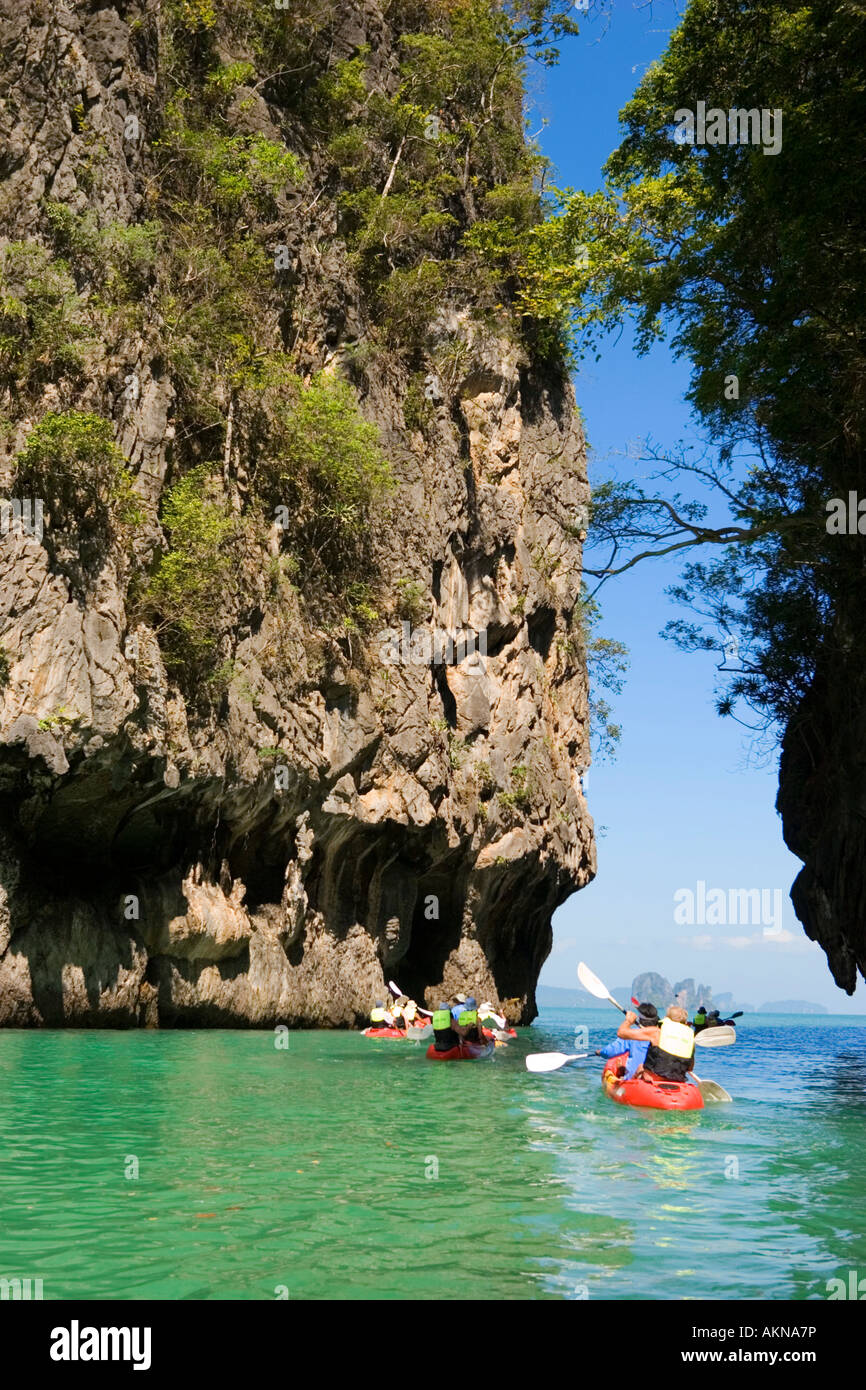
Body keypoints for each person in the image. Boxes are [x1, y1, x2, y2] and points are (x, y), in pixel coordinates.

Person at [617, 1004, 696, 1084]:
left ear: (667, 1018)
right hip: (678, 1080)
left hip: (654, 1078)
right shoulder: (690, 1038)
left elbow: (621, 1033)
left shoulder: (657, 1032)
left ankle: (629, 1083)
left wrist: (629, 1021)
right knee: (642, 1066)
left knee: (640, 1067)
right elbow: (690, 1068)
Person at [597, 1002, 658, 1078]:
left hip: (635, 1080)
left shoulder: (633, 1035)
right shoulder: (662, 1034)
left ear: (640, 1019)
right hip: (655, 1079)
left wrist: (601, 1052)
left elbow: (610, 1052)